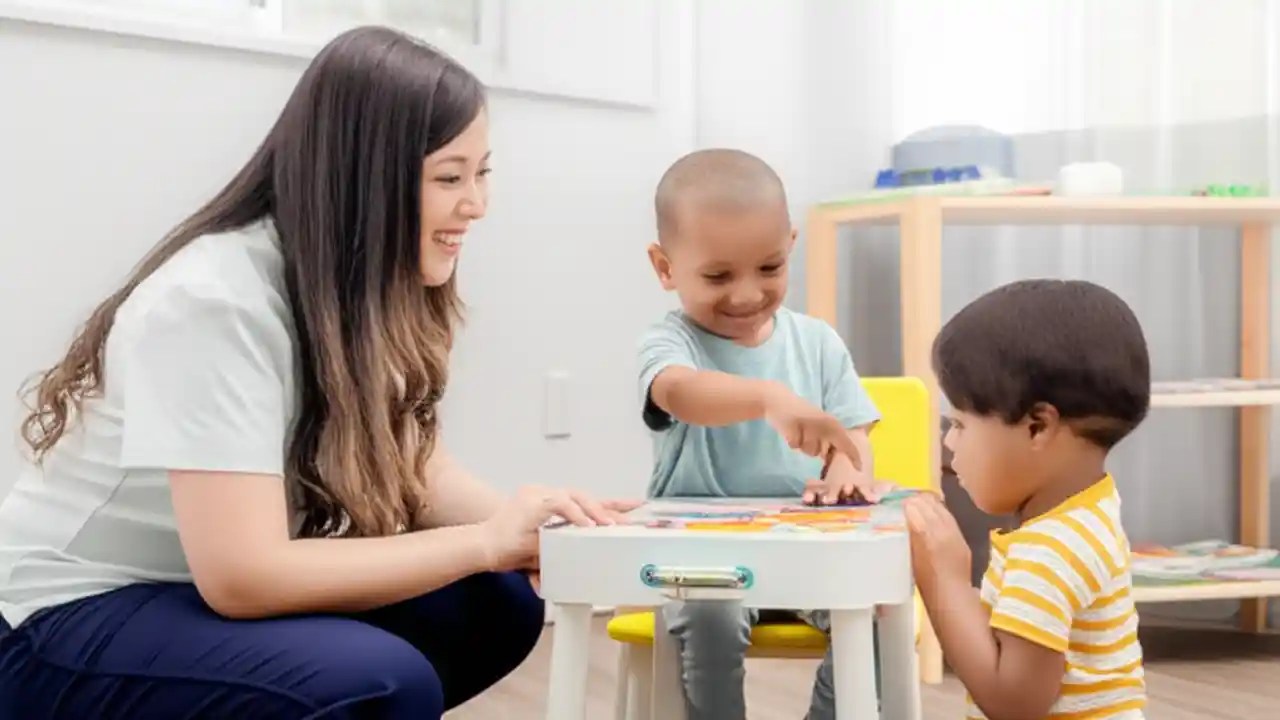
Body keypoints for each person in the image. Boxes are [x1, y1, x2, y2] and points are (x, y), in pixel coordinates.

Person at [0, 26, 634, 719]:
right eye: (450, 177)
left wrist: (555, 531)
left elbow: (414, 468)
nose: (477, 204)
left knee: (498, 600)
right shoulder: (214, 303)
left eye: (483, 173)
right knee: (380, 679)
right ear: (368, 180)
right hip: (58, 617)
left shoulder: (357, 287)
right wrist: (484, 541)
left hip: (183, 597)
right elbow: (245, 577)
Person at [636, 148, 891, 720]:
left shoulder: (818, 342)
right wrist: (767, 397)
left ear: (791, 246)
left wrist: (847, 474)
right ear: (665, 267)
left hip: (807, 551)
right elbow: (679, 393)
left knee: (874, 612)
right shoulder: (668, 343)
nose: (747, 294)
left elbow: (854, 435)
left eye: (769, 268)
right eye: (719, 275)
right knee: (709, 619)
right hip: (707, 563)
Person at [906, 279, 1148, 719]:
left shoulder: (1050, 550)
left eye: (960, 424)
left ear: (1037, 426)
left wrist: (946, 583)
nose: (949, 444)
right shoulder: (1090, 507)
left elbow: (1014, 704)